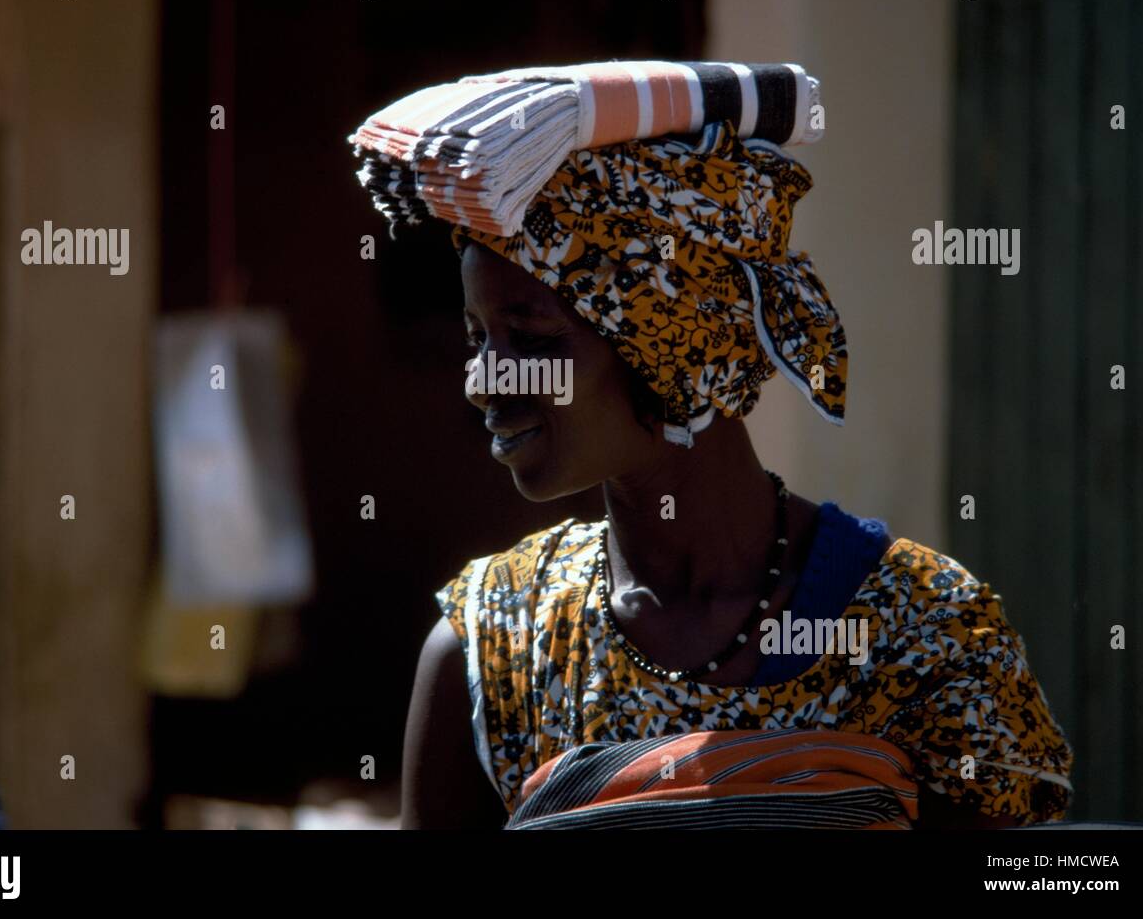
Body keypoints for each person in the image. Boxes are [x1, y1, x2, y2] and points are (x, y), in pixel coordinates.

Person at [351, 61, 1074, 829]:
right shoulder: (495, 648)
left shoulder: (925, 633)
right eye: (476, 336)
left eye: (529, 337)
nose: (484, 380)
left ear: (669, 342)